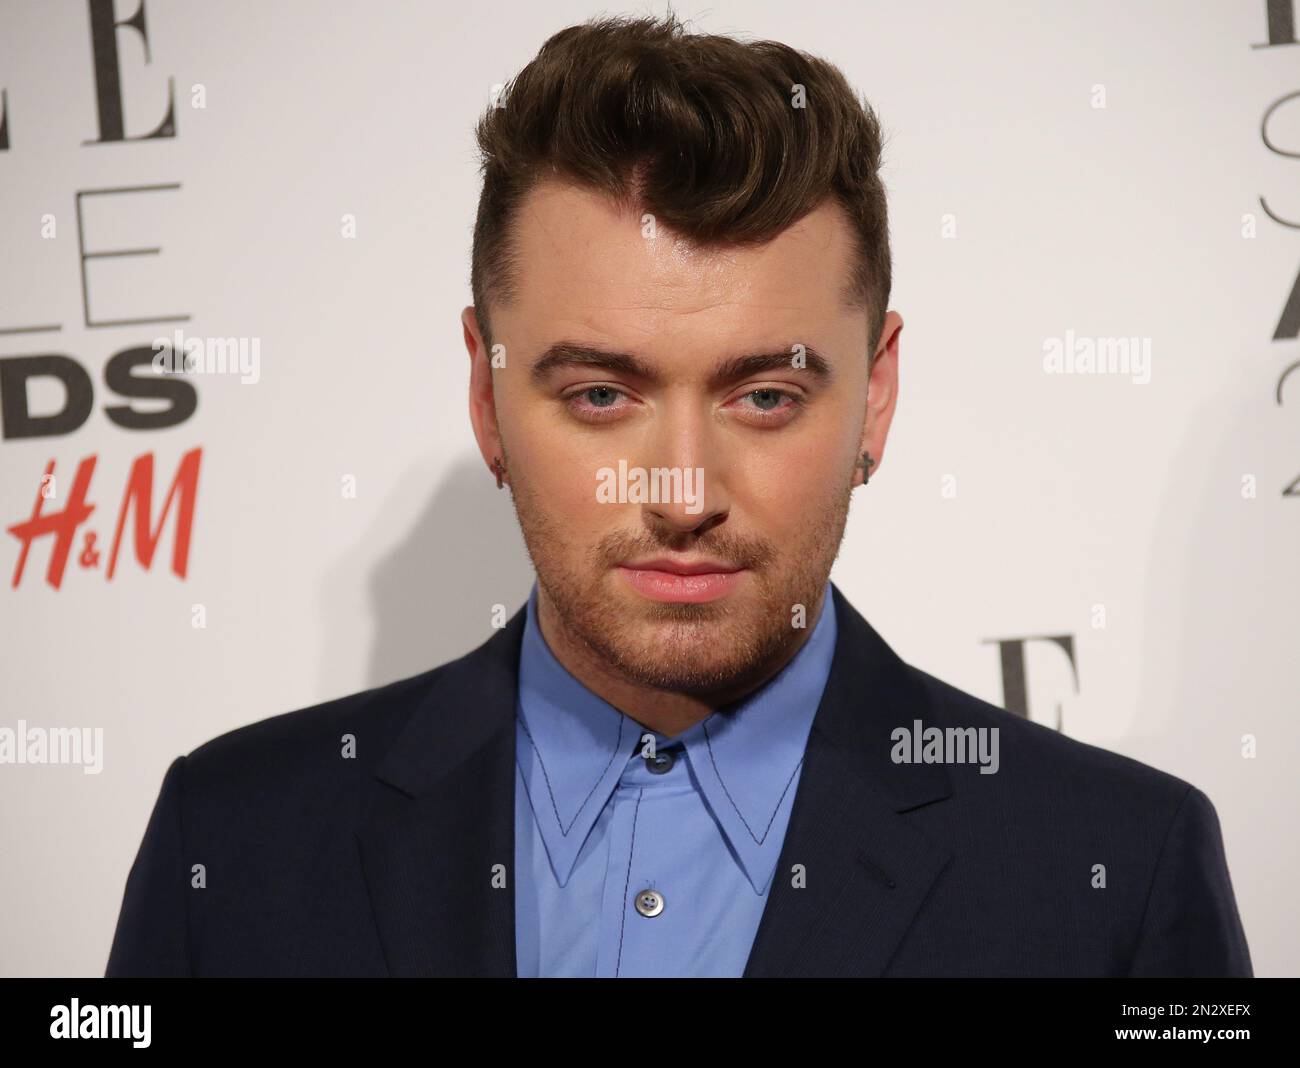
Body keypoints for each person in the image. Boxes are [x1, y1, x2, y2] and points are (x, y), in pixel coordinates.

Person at [106, 13, 1251, 978]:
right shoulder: (237, 838)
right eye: (602, 394)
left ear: (877, 395)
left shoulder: (1114, 875)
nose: (684, 492)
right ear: (485, 388)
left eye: (764, 397)